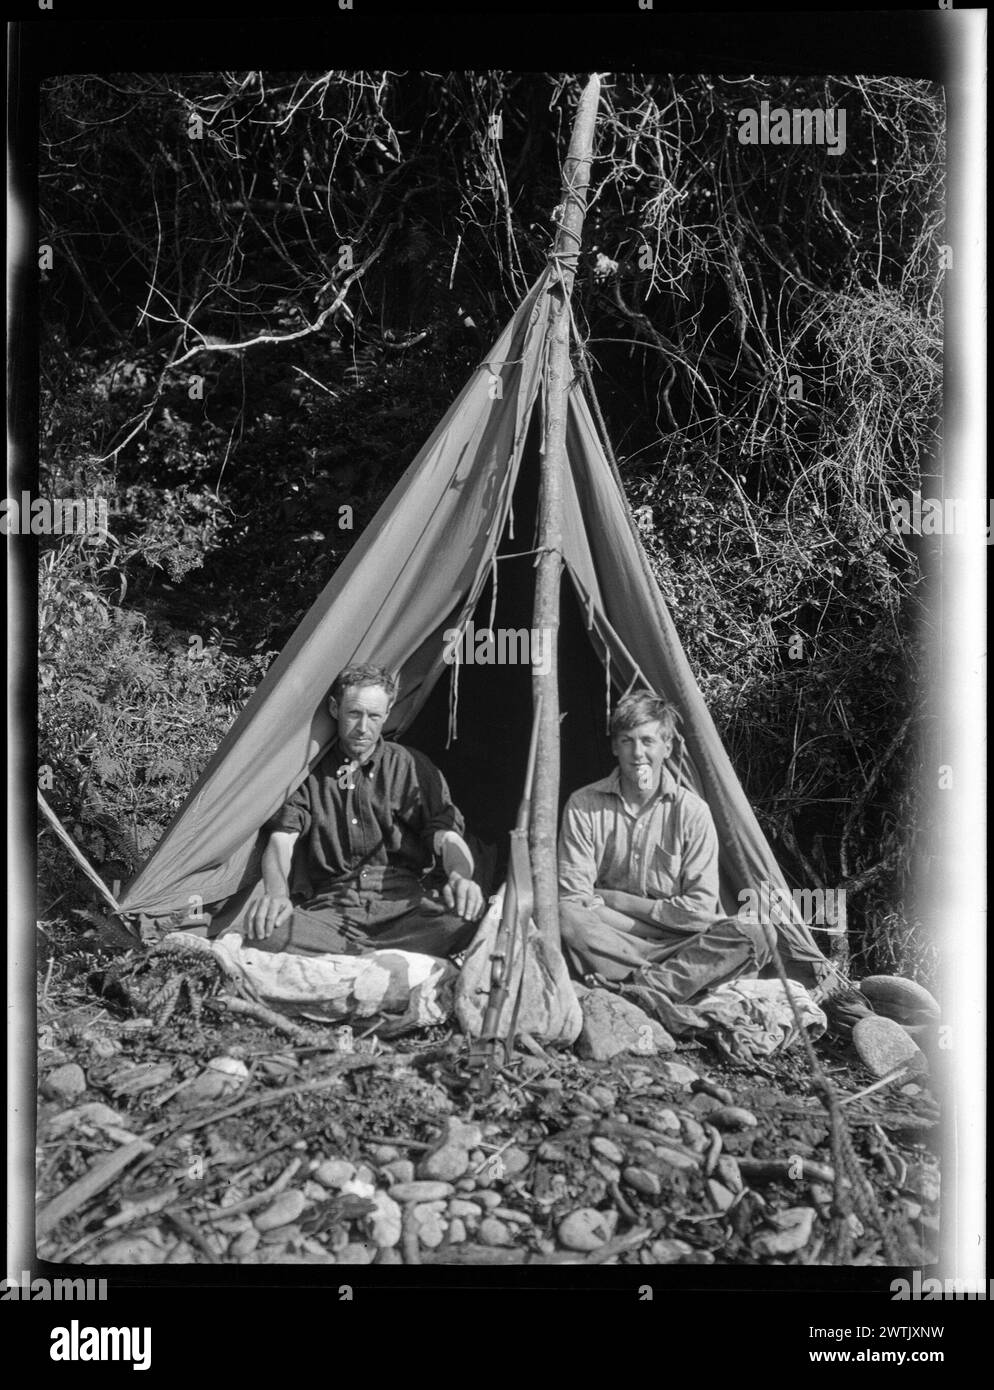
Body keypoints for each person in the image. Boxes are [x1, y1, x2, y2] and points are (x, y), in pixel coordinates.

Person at [226, 663, 485, 958]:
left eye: (374, 716)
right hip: (331, 909)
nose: (363, 728)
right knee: (267, 932)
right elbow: (281, 841)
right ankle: (377, 958)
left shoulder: (409, 765)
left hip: (403, 907)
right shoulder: (307, 772)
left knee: (466, 917)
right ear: (335, 709)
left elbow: (446, 835)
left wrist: (460, 877)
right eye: (354, 713)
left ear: (387, 714)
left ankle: (351, 958)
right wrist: (276, 894)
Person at [557, 690, 772, 1016]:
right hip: (612, 943)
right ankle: (666, 989)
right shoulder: (584, 805)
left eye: (648, 741)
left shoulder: (692, 812)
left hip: (679, 947)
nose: (638, 753)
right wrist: (657, 923)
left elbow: (699, 911)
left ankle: (641, 991)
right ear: (615, 747)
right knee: (563, 914)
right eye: (627, 741)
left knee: (756, 932)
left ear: (667, 747)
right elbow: (576, 900)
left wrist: (616, 901)